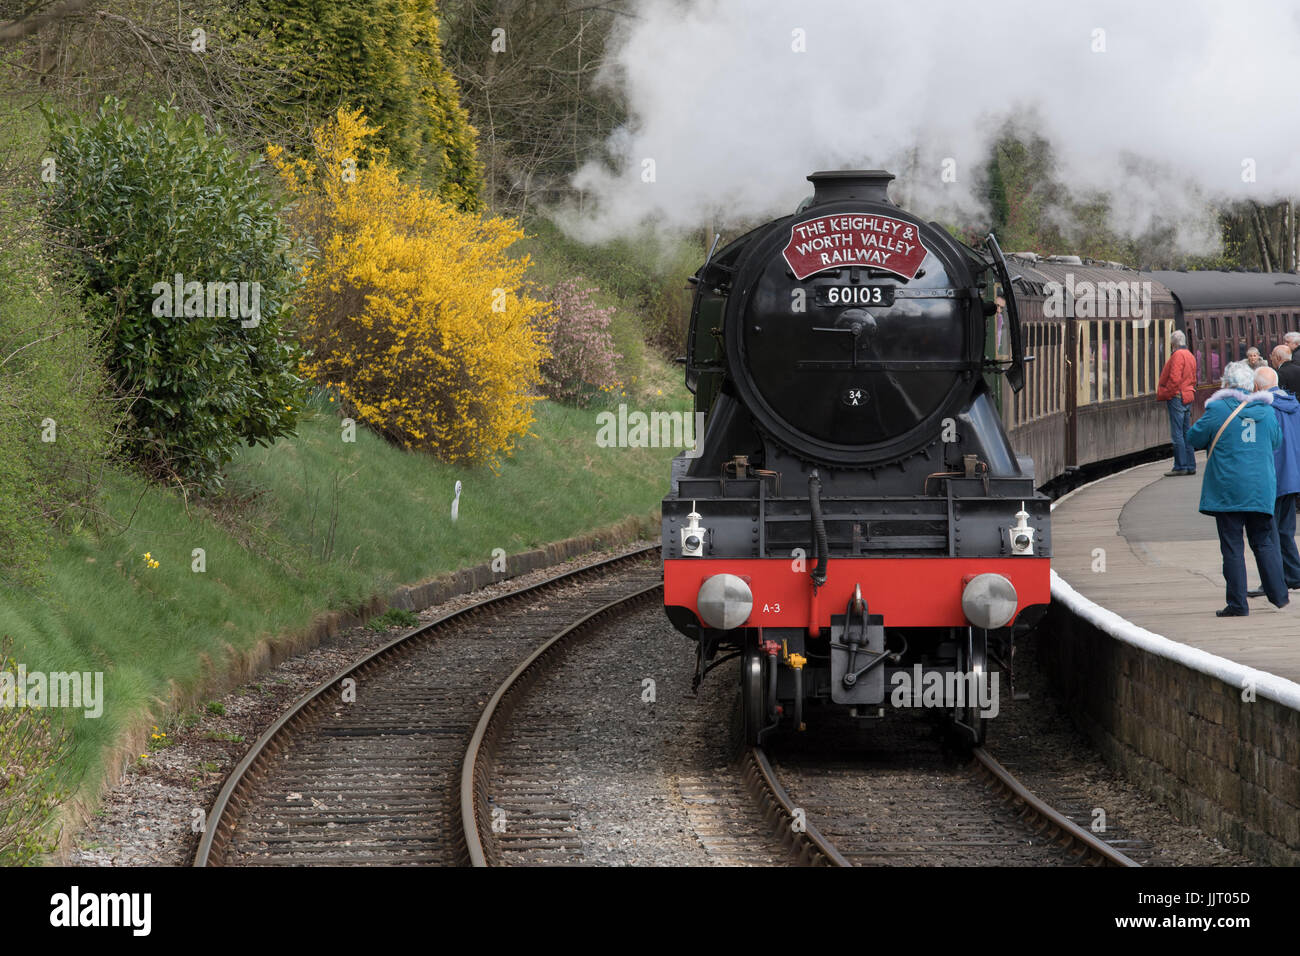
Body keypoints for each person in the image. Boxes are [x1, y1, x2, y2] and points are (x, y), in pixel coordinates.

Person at [1187, 361, 1288, 616]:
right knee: (1264, 542)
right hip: (1260, 489)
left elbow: (1193, 438)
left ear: (1227, 384)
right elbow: (1276, 441)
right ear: (1252, 385)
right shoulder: (1265, 410)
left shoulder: (1218, 408)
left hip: (1227, 490)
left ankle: (1237, 604)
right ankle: (1278, 596)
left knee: (1232, 547)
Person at [1247, 365, 1300, 596]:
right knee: (1286, 530)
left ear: (1257, 387)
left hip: (1273, 477)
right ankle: (1295, 575)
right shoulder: (1294, 405)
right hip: (1293, 476)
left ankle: (1273, 580)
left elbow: (1265, 445)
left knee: (1270, 532)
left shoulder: (1264, 409)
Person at [1156, 330, 1197, 476]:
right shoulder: (1190, 355)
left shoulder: (1178, 356)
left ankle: (1181, 465)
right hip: (1187, 396)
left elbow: (1174, 378)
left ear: (1172, 343)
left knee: (1177, 433)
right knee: (1187, 432)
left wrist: (1167, 393)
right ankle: (1191, 465)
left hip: (1177, 397)